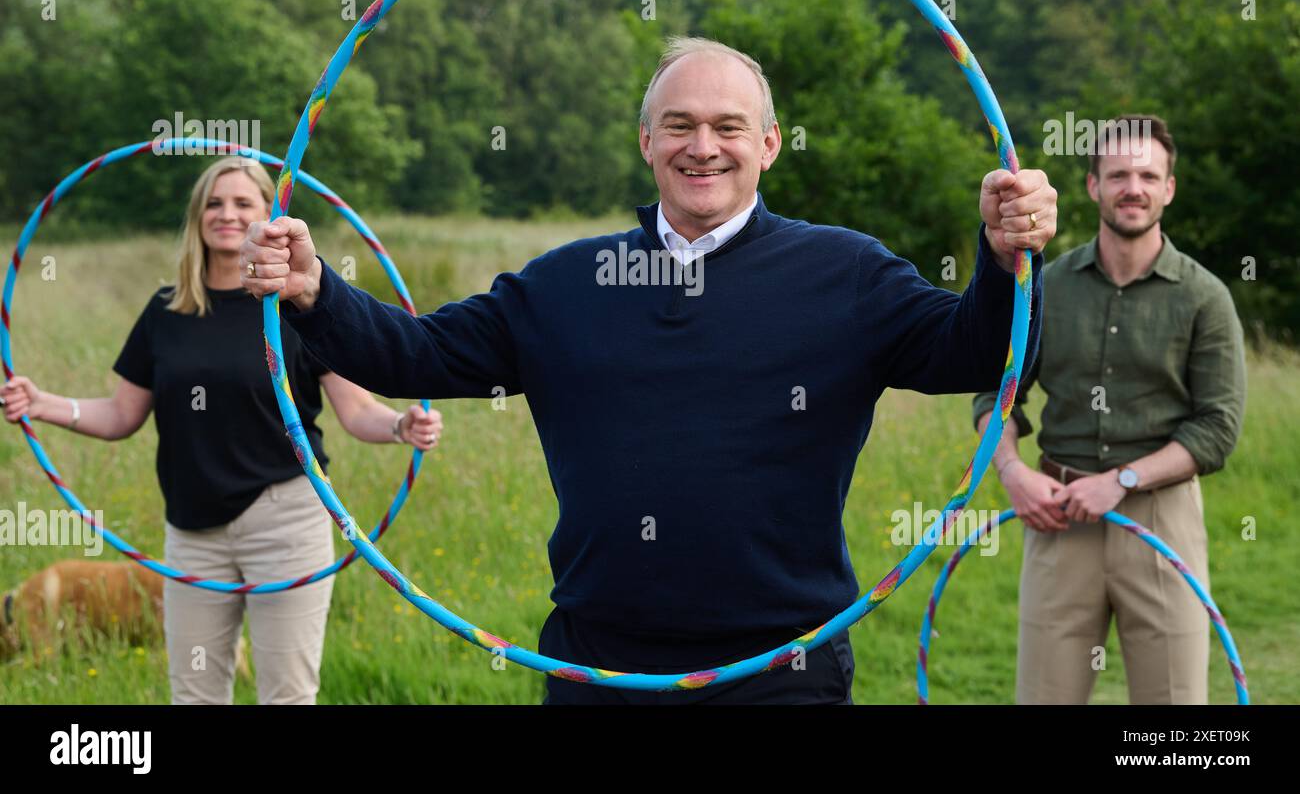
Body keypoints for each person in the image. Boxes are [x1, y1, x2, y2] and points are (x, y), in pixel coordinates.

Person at [242, 35, 1056, 705]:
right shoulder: (564, 284)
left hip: (785, 666)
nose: (703, 147)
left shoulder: (845, 274)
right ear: (646, 142)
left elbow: (977, 353)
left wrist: (1004, 258)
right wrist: (317, 291)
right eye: (679, 125)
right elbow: (418, 353)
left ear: (769, 145)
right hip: (601, 661)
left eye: (729, 127)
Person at [2, 155, 443, 704]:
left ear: (269, 218)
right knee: (195, 696)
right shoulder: (166, 310)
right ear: (197, 218)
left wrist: (403, 425)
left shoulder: (297, 305)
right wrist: (44, 404)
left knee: (287, 696)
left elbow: (357, 413)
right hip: (191, 532)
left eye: (243, 204)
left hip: (286, 522)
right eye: (214, 203)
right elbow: (120, 415)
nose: (227, 215)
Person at [972, 115, 1246, 704]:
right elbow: (996, 394)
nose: (1134, 187)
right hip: (1058, 518)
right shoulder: (1044, 285)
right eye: (1118, 174)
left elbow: (1217, 429)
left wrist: (1121, 481)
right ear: (1094, 185)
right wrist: (1012, 472)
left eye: (1149, 174)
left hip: (1160, 518)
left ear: (1168, 188)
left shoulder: (1206, 298)